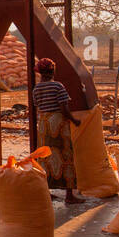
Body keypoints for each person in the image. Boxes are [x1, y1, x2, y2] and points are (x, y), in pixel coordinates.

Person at [32, 57, 83, 204]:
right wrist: (75, 120)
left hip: (43, 125)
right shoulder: (58, 86)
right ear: (53, 70)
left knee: (45, 158)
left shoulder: (36, 88)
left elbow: (38, 106)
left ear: (40, 73)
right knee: (65, 157)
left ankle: (46, 192)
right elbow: (64, 109)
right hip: (57, 124)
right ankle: (69, 196)